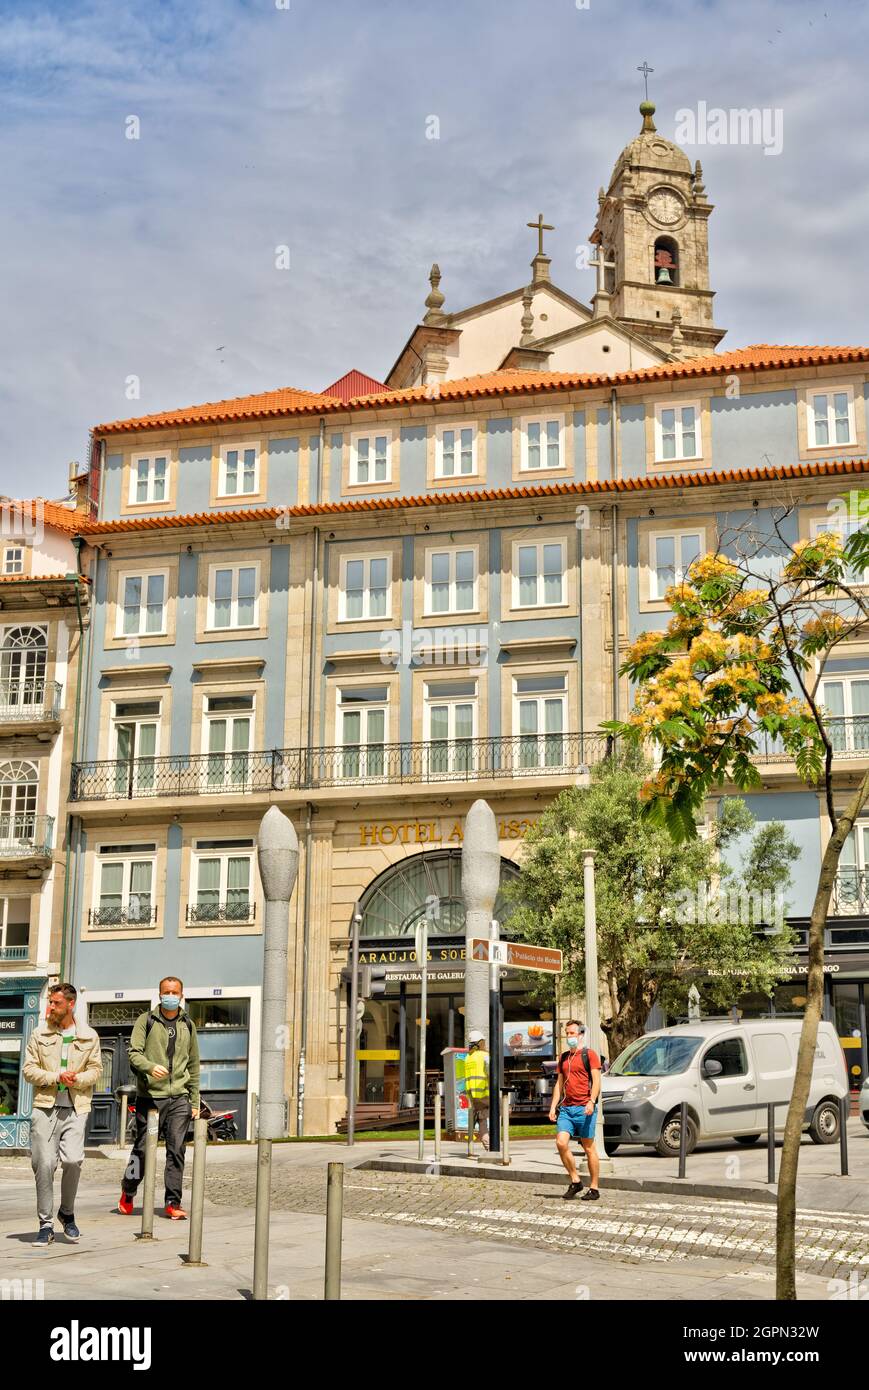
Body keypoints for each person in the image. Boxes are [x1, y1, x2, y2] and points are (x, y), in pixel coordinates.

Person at [23, 982, 102, 1246]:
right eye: (49, 1002)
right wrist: (56, 1076)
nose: (50, 1007)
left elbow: (96, 1071)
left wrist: (75, 1079)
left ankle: (66, 1213)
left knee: (73, 1161)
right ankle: (45, 1224)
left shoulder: (89, 1036)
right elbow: (29, 1070)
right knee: (43, 1165)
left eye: (55, 1003)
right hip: (45, 1108)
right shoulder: (39, 1034)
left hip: (76, 1108)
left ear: (70, 1004)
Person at [118, 977, 200, 1220]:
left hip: (179, 1098)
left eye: (175, 992)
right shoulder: (147, 1021)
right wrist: (150, 1067)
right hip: (151, 1097)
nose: (171, 996)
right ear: (159, 994)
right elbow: (133, 1053)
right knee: (142, 1149)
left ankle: (173, 1202)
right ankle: (128, 1189)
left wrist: (194, 1101)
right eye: (167, 992)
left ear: (182, 995)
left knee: (177, 1150)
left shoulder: (188, 1024)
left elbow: (194, 1064)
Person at [548, 1019, 602, 1201]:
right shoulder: (563, 1058)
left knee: (588, 1147)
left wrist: (591, 1101)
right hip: (567, 1109)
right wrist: (553, 1106)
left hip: (584, 1108)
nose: (569, 1036)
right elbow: (559, 1084)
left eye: (572, 1033)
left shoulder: (589, 1055)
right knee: (561, 1143)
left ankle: (594, 1188)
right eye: (567, 1033)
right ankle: (575, 1180)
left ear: (580, 1035)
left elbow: (597, 1081)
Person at [464, 1029, 490, 1151]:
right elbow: (491, 1073)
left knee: (482, 1118)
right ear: (480, 1043)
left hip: (473, 1096)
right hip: (486, 1093)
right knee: (505, 1110)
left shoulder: (468, 1058)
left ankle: (488, 1145)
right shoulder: (484, 1056)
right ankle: (496, 1144)